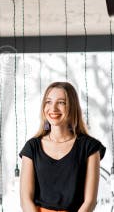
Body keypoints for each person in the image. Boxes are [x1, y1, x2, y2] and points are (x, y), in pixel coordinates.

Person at [19, 82, 105, 212]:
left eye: (61, 102)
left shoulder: (90, 147)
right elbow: (25, 200)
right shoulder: (32, 147)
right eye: (48, 102)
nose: (53, 108)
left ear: (72, 107)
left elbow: (90, 202)